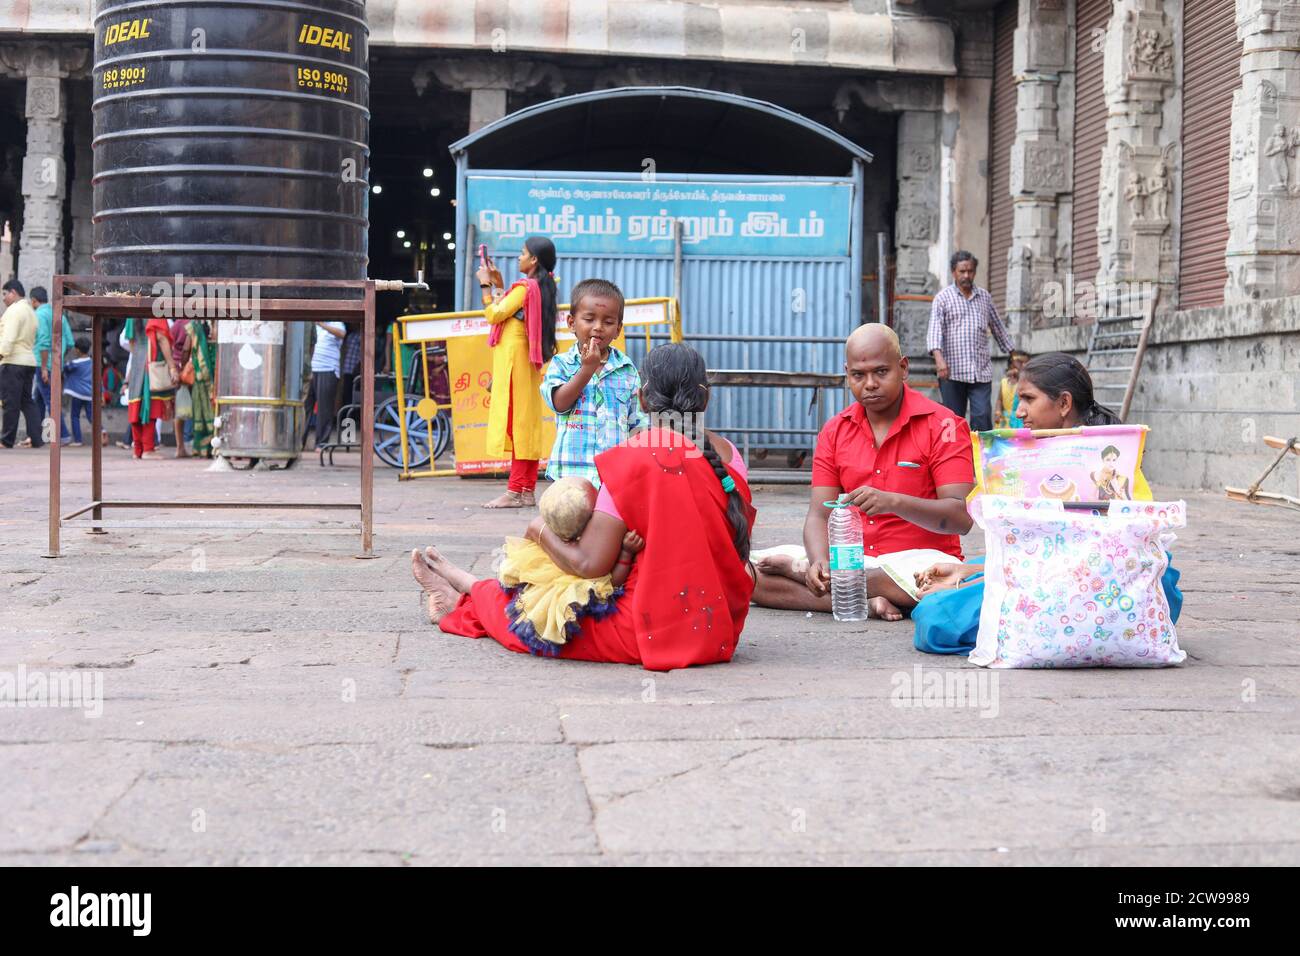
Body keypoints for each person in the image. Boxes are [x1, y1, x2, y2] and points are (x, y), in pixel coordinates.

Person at [412, 343, 757, 671]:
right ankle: (466, 587)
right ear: (706, 397)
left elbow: (589, 564)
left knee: (532, 617)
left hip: (648, 631)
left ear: (642, 398)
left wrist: (539, 530)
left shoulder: (635, 457)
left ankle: (465, 592)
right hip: (719, 629)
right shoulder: (729, 455)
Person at [911, 351, 1181, 654]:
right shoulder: (1023, 460)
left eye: (1028, 399)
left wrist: (970, 585)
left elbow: (1099, 558)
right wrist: (970, 574)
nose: (1020, 412)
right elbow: (1036, 548)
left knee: (935, 617)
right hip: (1050, 573)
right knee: (949, 593)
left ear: (1064, 403)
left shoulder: (1114, 459)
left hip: (1100, 580)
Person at [750, 324, 975, 621]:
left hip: (920, 564)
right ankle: (866, 601)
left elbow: (960, 519)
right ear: (848, 374)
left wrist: (893, 502)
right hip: (854, 560)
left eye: (881, 372)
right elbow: (819, 515)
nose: (870, 384)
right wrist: (819, 561)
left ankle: (809, 576)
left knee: (932, 582)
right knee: (749, 574)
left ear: (903, 367)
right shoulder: (835, 430)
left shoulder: (945, 425)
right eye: (858, 375)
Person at [442, 476, 646, 653]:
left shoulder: (574, 543)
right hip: (555, 598)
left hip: (557, 596)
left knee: (511, 604)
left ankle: (466, 588)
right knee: (513, 606)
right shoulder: (583, 548)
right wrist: (625, 555)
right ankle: (467, 587)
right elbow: (611, 581)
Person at [476, 236, 559, 509]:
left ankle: (514, 491)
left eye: (523, 253)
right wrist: (499, 284)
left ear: (534, 260)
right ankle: (526, 491)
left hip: (515, 365)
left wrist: (486, 285)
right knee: (525, 424)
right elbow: (510, 311)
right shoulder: (538, 287)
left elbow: (494, 314)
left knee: (518, 425)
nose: (519, 257)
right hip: (523, 364)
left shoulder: (525, 288)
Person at [541, 278, 644, 486]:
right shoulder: (562, 364)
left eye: (608, 322)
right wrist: (587, 369)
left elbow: (637, 422)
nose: (598, 327)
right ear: (572, 323)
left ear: (618, 329)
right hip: (571, 473)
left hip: (615, 476)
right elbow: (559, 403)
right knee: (565, 517)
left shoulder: (626, 368)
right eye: (589, 319)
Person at [927, 250, 1015, 432]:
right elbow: (935, 331)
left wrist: (1013, 354)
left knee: (982, 416)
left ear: (974, 272)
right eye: (962, 271)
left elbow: (998, 327)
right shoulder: (942, 299)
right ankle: (954, 457)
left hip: (979, 370)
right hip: (952, 371)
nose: (966, 275)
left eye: (970, 271)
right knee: (953, 419)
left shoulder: (985, 297)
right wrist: (939, 360)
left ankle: (982, 457)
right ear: (954, 272)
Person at [123, 317, 177, 459]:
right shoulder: (154, 309)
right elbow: (161, 338)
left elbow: (131, 342)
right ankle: (148, 449)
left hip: (136, 362)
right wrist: (172, 367)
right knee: (149, 406)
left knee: (136, 405)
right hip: (150, 365)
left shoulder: (131, 314)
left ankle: (138, 449)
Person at [0, 279, 43, 449]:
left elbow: (9, 337)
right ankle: (37, 439)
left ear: (13, 292)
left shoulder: (14, 311)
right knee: (26, 401)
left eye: (5, 294)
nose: (3, 298)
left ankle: (6, 439)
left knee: (11, 402)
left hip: (13, 361)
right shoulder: (30, 311)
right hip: (28, 361)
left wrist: (1, 354)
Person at [31, 286, 72, 440]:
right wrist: (58, 357)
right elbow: (69, 342)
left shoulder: (39, 315)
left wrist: (43, 367)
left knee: (50, 400)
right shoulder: (59, 313)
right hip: (55, 363)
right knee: (39, 400)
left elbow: (43, 342)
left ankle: (63, 435)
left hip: (43, 365)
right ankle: (37, 436)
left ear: (34, 301)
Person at [184, 319, 217, 458]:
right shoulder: (219, 324)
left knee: (200, 413)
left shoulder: (194, 327)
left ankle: (202, 449)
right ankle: (214, 447)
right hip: (215, 374)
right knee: (212, 411)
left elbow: (186, 349)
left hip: (201, 376)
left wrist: (182, 366)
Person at [310, 320, 345, 449]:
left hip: (328, 369)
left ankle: (321, 443)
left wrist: (322, 325)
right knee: (305, 407)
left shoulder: (337, 324)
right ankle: (300, 442)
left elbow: (342, 334)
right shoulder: (314, 327)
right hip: (312, 369)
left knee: (324, 408)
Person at [61, 334, 99, 446]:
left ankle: (78, 440)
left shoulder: (74, 364)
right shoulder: (93, 363)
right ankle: (101, 431)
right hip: (90, 393)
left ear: (77, 350)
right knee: (91, 415)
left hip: (77, 393)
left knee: (75, 416)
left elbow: (64, 370)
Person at [169, 318, 193, 458]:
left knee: (179, 407)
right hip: (187, 368)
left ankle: (180, 446)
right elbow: (186, 350)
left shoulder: (176, 324)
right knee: (184, 407)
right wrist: (183, 367)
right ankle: (182, 446)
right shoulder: (190, 324)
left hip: (176, 366)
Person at [993, 349, 1030, 428]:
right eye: (1020, 362)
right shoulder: (1004, 382)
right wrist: (998, 411)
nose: (1024, 365)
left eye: (1026, 363)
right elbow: (999, 400)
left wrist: (1020, 376)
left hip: (1019, 420)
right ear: (1011, 365)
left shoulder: (1025, 383)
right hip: (1004, 420)